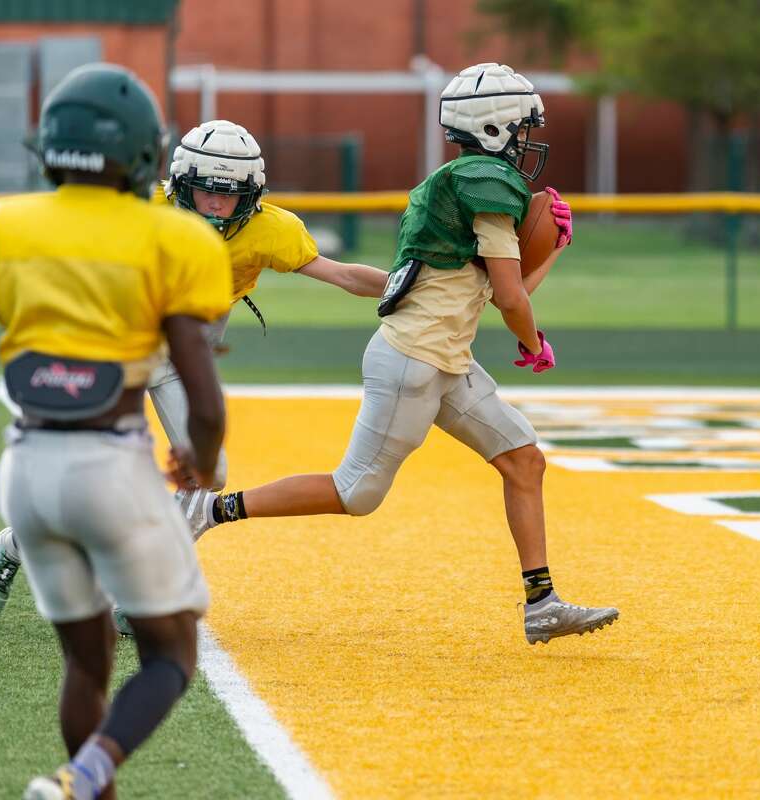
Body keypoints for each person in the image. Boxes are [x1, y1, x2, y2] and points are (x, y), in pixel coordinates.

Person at [0, 64, 234, 799]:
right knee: (171, 656)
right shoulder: (173, 239)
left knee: (85, 664)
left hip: (25, 473)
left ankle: (82, 786)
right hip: (109, 465)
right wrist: (199, 463)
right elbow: (204, 404)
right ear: (145, 153)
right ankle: (82, 777)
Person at [193, 62, 618, 645]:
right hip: (415, 360)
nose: (526, 139)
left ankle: (541, 602)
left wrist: (554, 249)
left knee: (523, 459)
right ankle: (207, 512)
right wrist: (532, 342)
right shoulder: (485, 183)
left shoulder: (464, 180)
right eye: (520, 126)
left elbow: (498, 292)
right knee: (355, 493)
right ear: (495, 128)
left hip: (443, 359)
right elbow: (512, 300)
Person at [0, 118, 390, 633]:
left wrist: (409, 288)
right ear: (179, 183)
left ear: (252, 194)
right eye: (205, 191)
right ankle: (15, 545)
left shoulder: (271, 229)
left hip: (179, 361)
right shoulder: (140, 208)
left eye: (230, 195)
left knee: (210, 476)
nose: (216, 205)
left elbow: (343, 274)